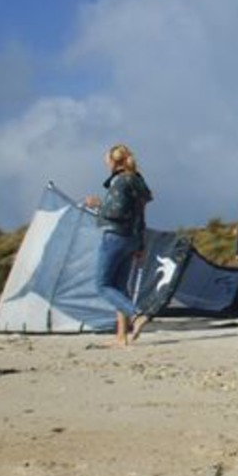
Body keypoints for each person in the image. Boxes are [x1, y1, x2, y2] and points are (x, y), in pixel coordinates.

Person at [83, 144, 153, 346]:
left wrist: (98, 204)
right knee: (120, 289)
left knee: (103, 285)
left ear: (114, 162)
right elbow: (140, 215)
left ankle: (137, 315)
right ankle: (121, 336)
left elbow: (116, 212)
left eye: (107, 161)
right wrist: (140, 243)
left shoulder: (120, 181)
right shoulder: (137, 181)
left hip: (115, 237)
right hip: (132, 238)